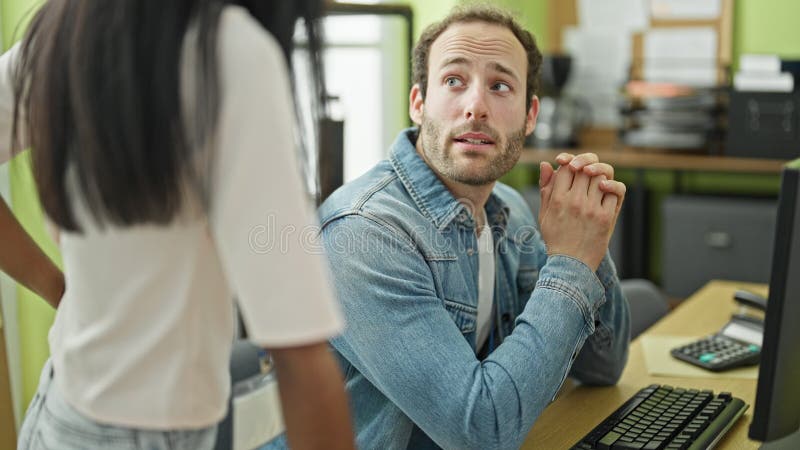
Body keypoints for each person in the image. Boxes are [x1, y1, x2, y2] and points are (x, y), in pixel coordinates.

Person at [2, 1, 354, 449]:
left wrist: (57, 287)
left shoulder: (62, 31)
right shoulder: (227, 53)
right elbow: (301, 356)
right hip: (145, 430)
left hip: (59, 411)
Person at [315, 4, 630, 449]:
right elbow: (480, 431)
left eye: (500, 86)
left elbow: (603, 368)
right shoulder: (363, 235)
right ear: (419, 103)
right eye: (453, 81)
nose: (476, 106)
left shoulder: (511, 212)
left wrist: (588, 240)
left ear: (529, 115)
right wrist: (571, 263)